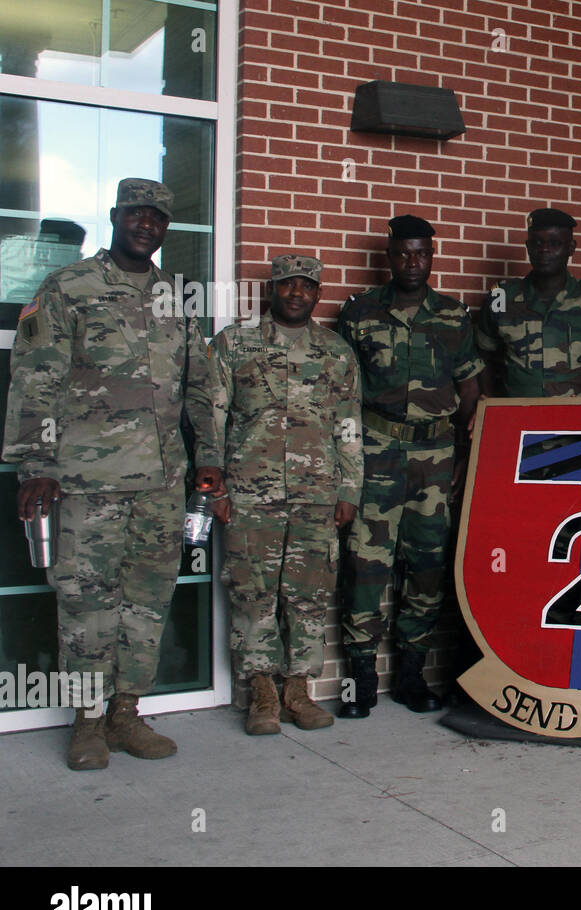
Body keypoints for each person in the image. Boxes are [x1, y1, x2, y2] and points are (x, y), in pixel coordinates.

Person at [3, 177, 222, 769]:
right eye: (135, 214)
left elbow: (202, 386)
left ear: (165, 228)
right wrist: (37, 463)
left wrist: (209, 459)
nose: (145, 224)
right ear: (115, 216)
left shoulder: (174, 298)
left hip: (160, 484)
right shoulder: (68, 287)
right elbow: (36, 377)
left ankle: (127, 712)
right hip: (85, 483)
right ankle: (87, 723)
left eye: (156, 217)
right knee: (85, 604)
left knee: (148, 602)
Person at [336, 215, 482, 718]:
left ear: (431, 256)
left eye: (421, 253)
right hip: (375, 452)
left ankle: (410, 676)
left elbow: (470, 388)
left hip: (435, 460)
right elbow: (343, 391)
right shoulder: (359, 314)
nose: (412, 262)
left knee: (426, 565)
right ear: (389, 257)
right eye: (403, 254)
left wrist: (461, 455)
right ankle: (359, 681)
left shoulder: (453, 315)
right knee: (364, 566)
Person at [209, 254, 362, 735]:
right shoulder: (235, 344)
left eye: (307, 286)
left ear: (319, 294)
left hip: (317, 493)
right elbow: (212, 417)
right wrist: (214, 486)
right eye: (287, 284)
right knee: (253, 594)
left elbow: (349, 425)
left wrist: (350, 488)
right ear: (271, 289)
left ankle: (299, 690)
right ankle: (261, 693)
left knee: (310, 595)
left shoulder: (336, 352)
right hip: (250, 493)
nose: (296, 293)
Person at [477, 207, 581, 397]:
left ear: (571, 248)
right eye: (537, 242)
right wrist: (491, 407)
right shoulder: (501, 297)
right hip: (515, 417)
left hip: (576, 419)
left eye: (554, 243)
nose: (544, 249)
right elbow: (480, 358)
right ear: (527, 247)